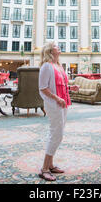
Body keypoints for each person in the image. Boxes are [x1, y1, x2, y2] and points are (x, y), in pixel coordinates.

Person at [38, 42, 79, 181]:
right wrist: (56, 98)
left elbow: (60, 86)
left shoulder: (59, 66)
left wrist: (70, 89)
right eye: (55, 45)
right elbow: (43, 88)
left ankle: (50, 165)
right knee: (56, 134)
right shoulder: (46, 66)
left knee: (57, 133)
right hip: (54, 104)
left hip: (63, 102)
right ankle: (44, 168)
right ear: (50, 50)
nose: (58, 46)